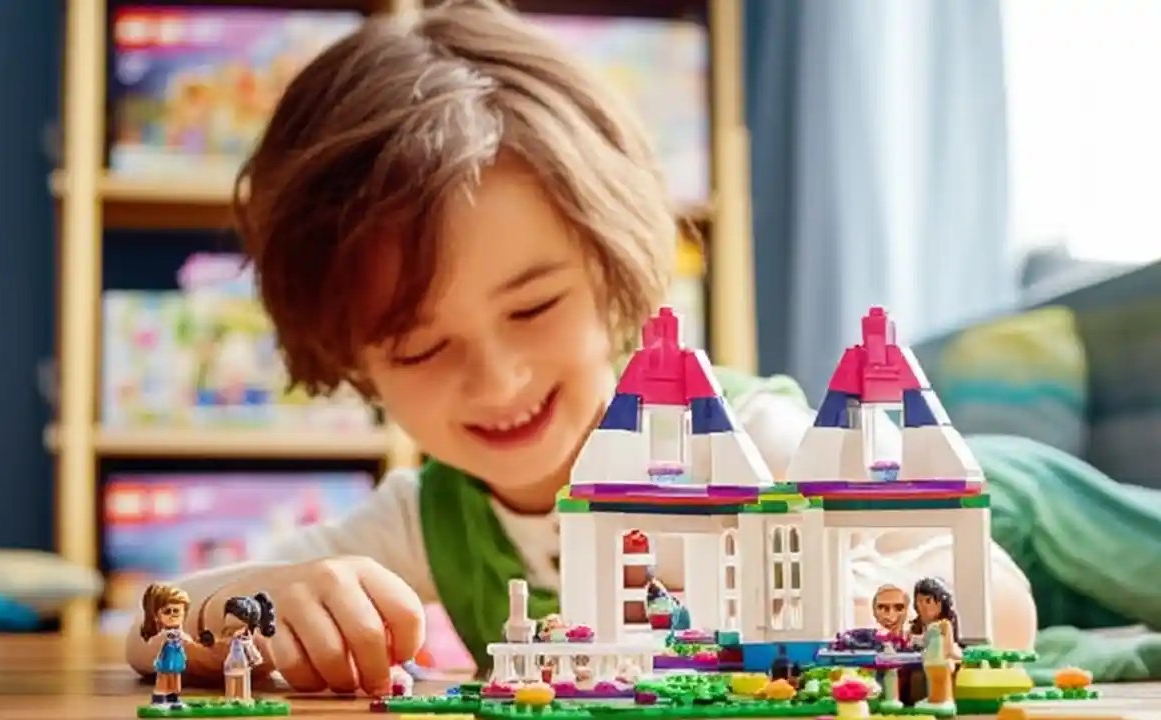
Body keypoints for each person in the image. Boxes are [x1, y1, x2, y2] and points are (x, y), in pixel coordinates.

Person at [125, 0, 1048, 695]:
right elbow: (145, 629)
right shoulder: (424, 517)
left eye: (532, 309)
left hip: (1037, 515)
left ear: (609, 266)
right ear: (354, 361)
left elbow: (1001, 593)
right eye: (417, 348)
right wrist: (258, 599)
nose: (497, 379)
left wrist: (854, 603)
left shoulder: (751, 444)